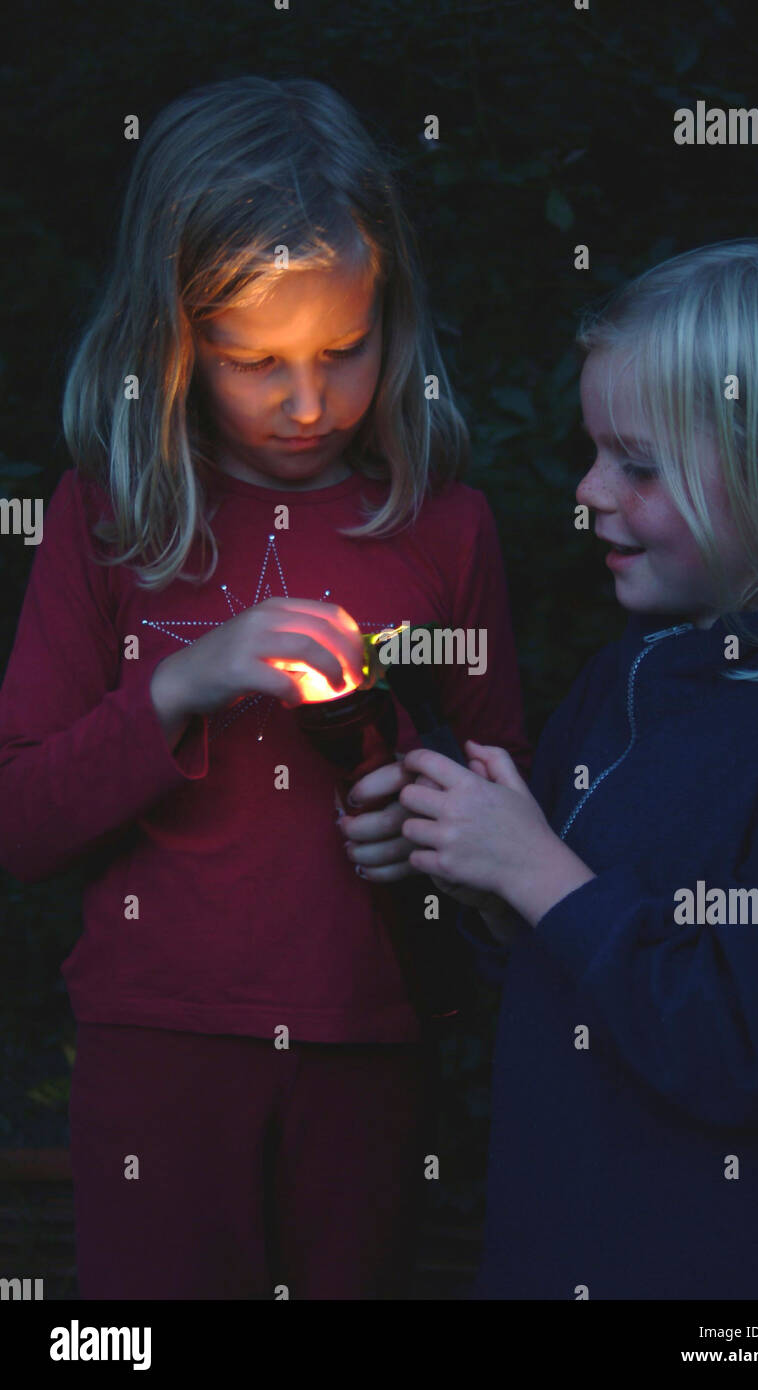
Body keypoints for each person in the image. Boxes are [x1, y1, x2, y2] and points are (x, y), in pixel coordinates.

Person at [0, 75, 529, 1300]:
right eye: (254, 362)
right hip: (159, 1046)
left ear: (394, 320)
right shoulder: (108, 521)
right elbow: (21, 821)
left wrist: (427, 818)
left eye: (344, 351)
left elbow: (512, 818)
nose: (306, 402)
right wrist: (181, 684)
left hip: (369, 1042)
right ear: (172, 340)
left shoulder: (445, 526)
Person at [398, 239, 758, 1299]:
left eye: (637, 464)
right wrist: (478, 878)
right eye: (592, 450)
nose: (587, 489)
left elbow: (751, 1047)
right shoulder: (624, 679)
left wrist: (536, 874)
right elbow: (574, 957)